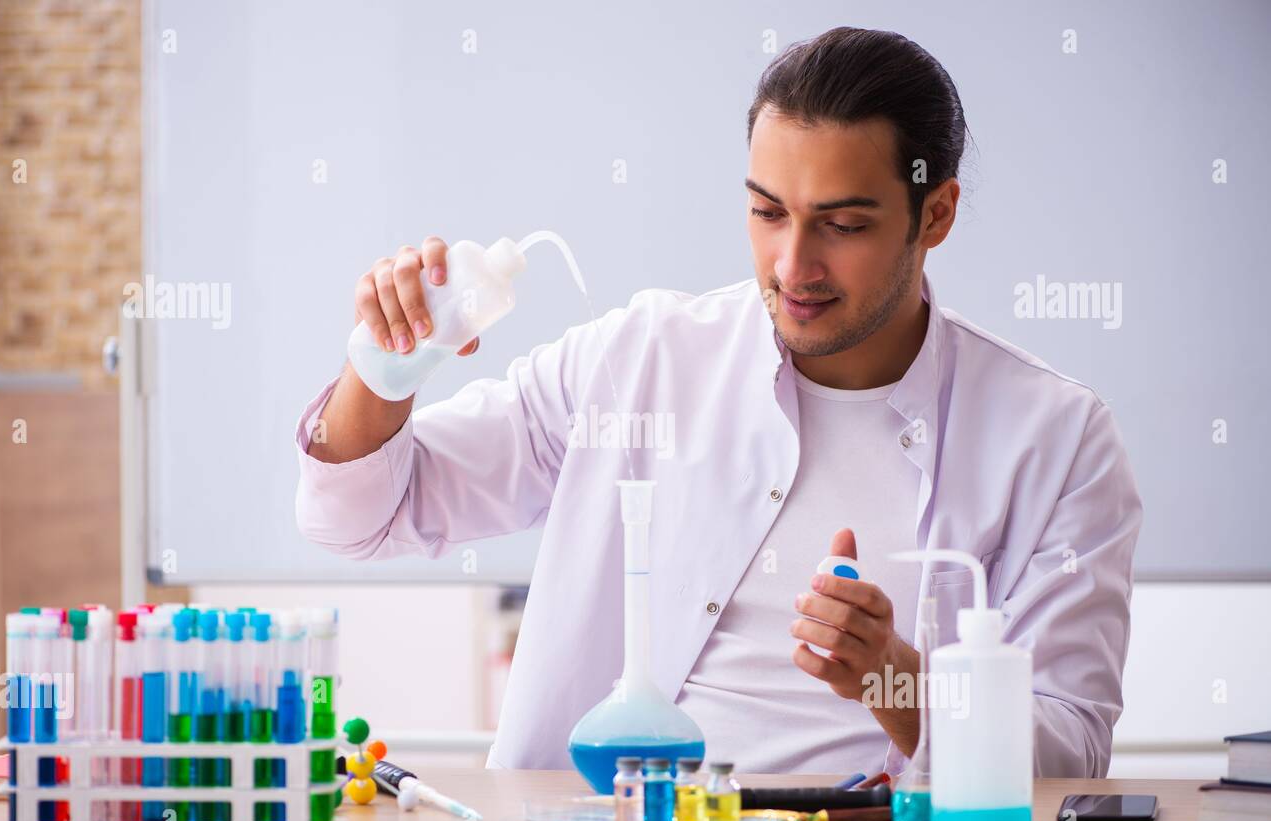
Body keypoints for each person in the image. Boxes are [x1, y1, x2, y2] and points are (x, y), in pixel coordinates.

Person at [294, 27, 1143, 777]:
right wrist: (381, 369)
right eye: (768, 212)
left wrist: (896, 679)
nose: (793, 266)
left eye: (843, 225)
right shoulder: (639, 361)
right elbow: (363, 518)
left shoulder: (1056, 439)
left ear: (937, 214)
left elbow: (1069, 749)